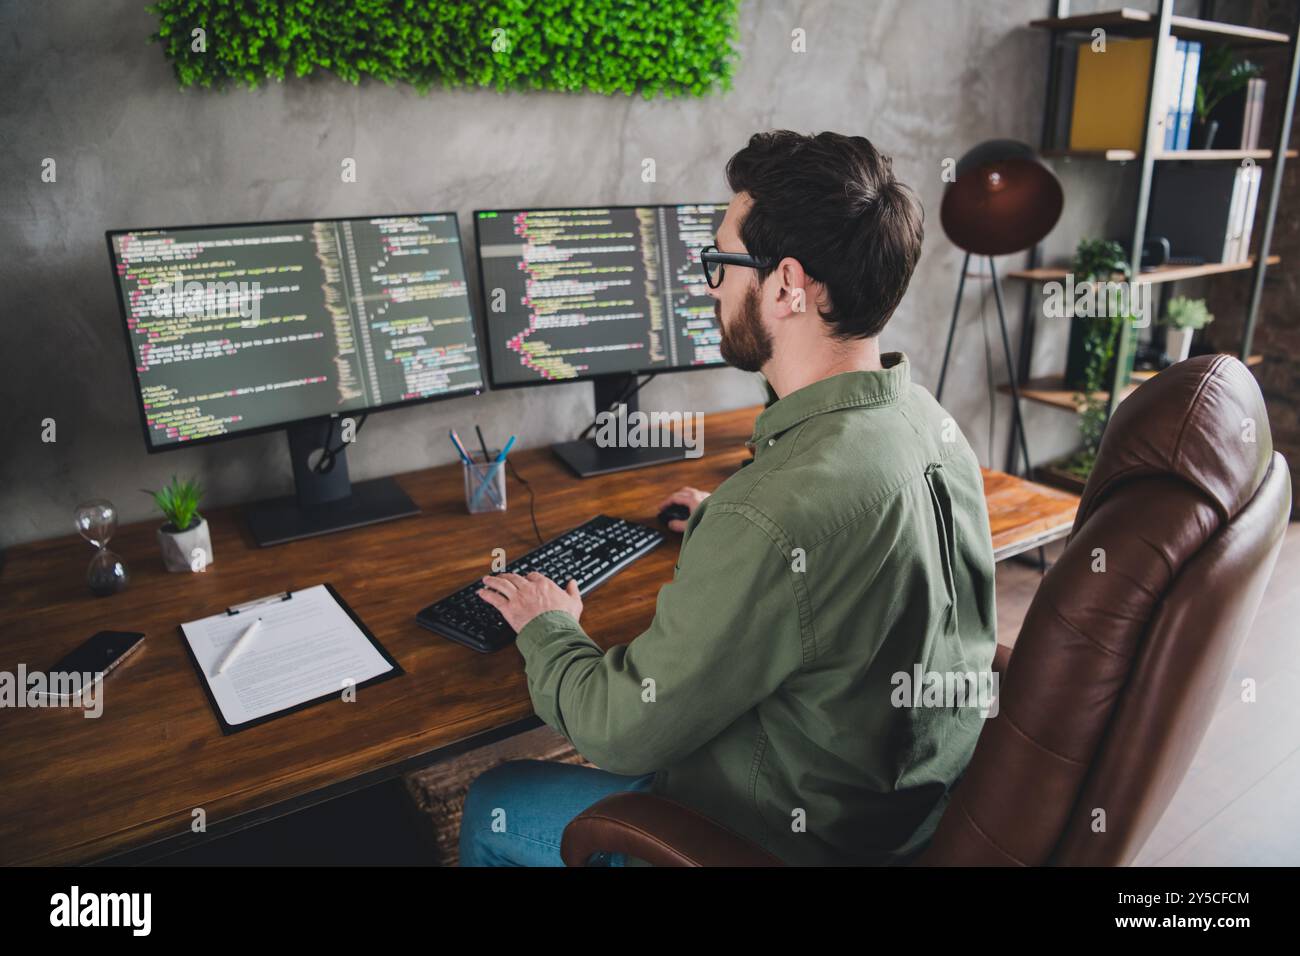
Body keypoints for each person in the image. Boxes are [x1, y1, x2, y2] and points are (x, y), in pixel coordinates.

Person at [459, 130, 996, 867]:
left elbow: (618, 730)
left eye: (719, 262)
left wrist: (551, 627)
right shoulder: (934, 428)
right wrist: (730, 527)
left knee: (494, 803)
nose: (709, 285)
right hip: (909, 815)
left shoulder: (773, 514)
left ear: (785, 286)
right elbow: (858, 565)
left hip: (781, 839)